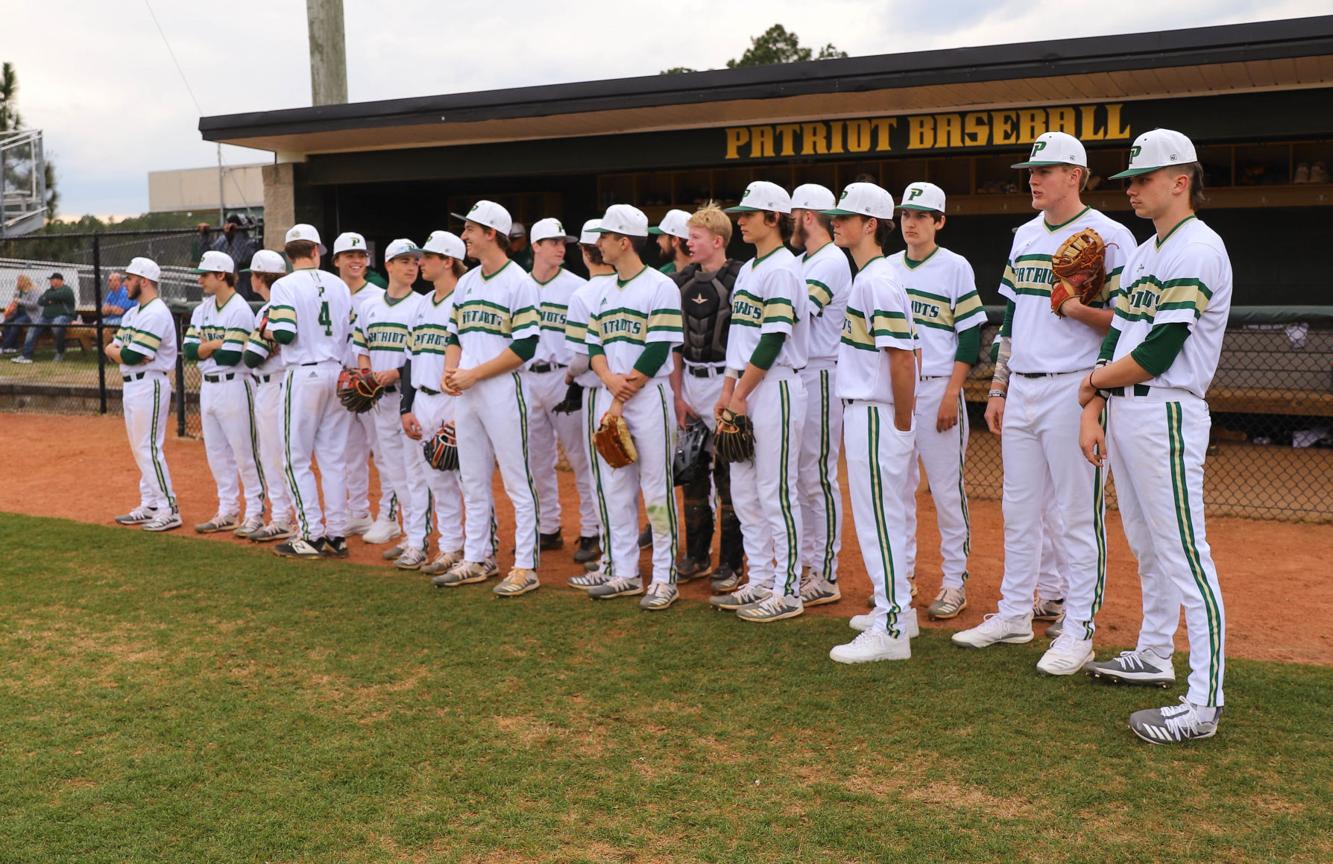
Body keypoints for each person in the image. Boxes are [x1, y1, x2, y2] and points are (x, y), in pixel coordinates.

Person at [952, 132, 1136, 678]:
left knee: (1078, 514)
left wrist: (1079, 313)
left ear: (1075, 175)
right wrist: (999, 385)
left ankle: (1079, 628)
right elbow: (1011, 317)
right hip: (1025, 384)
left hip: (1074, 384)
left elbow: (1127, 322)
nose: (1033, 178)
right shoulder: (1025, 234)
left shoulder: (1111, 235)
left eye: (1046, 170)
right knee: (1018, 508)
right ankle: (1013, 613)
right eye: (1030, 171)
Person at [1079, 129, 1231, 743]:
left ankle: (1204, 702)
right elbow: (1121, 334)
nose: (1133, 190)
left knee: (1186, 555)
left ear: (1180, 180)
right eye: (1130, 181)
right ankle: (1153, 651)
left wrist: (1089, 384)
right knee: (1147, 543)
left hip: (1167, 409)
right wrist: (1094, 403)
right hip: (1127, 410)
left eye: (1142, 179)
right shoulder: (1146, 251)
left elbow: (1162, 351)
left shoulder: (1198, 248)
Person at [822, 182, 921, 663]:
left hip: (878, 413)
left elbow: (903, 360)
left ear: (871, 225)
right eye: (835, 216)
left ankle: (892, 626)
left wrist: (902, 423)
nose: (835, 223)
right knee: (890, 518)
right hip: (872, 411)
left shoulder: (876, 280)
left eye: (846, 217)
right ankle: (900, 611)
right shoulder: (872, 276)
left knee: (880, 520)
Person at [708, 181, 809, 623]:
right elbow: (740, 339)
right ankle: (762, 578)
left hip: (778, 387)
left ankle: (788, 589)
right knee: (746, 492)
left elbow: (772, 339)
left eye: (749, 213)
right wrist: (728, 391)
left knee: (775, 490)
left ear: (774, 218)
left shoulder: (783, 269)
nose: (740, 220)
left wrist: (741, 395)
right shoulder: (750, 268)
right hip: (748, 388)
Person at [886, 182, 987, 620]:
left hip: (937, 387)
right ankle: (900, 578)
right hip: (895, 391)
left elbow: (969, 337)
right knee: (898, 489)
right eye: (906, 214)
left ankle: (953, 582)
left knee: (946, 491)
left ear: (939, 222)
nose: (911, 222)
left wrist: (952, 393)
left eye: (921, 215)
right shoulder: (887, 267)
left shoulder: (955, 266)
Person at [437, 200, 543, 596]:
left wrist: (472, 373)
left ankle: (526, 566)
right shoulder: (466, 282)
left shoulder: (519, 282)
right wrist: (451, 373)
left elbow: (527, 346)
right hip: (468, 389)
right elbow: (453, 335)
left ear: (491, 233)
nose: (464, 235)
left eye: (470, 229)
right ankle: (478, 557)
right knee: (472, 479)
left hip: (501, 388)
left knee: (517, 480)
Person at [584, 204, 684, 609]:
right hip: (614, 397)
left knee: (655, 488)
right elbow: (594, 346)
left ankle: (664, 577)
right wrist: (608, 381)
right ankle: (625, 571)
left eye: (605, 237)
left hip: (648, 398)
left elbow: (658, 347)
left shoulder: (660, 286)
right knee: (616, 489)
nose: (599, 244)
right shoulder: (603, 289)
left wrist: (618, 397)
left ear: (624, 241)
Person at [265, 224, 358, 559]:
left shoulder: (285, 285)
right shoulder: (339, 285)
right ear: (317, 251)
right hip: (336, 370)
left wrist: (269, 329)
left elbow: (286, 333)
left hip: (303, 374)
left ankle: (311, 535)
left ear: (289, 255)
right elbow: (350, 333)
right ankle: (337, 534)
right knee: (333, 458)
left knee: (296, 458)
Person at [668, 205, 745, 591]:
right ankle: (697, 555)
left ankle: (731, 562)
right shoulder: (680, 282)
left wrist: (732, 395)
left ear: (717, 241)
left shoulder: (740, 277)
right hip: (692, 384)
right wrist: (678, 396)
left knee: (731, 477)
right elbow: (676, 346)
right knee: (692, 473)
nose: (687, 243)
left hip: (726, 381)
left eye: (695, 237)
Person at [790, 183, 853, 607]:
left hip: (823, 371)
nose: (787, 222)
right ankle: (809, 564)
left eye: (792, 214)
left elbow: (793, 314)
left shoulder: (831, 261)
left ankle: (826, 573)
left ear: (808, 216)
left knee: (818, 474)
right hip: (798, 370)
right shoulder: (800, 260)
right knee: (798, 474)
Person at [522, 218, 599, 558]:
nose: (560, 247)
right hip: (527, 376)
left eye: (563, 242)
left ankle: (591, 530)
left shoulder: (577, 287)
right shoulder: (519, 286)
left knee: (581, 457)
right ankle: (548, 527)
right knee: (537, 459)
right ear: (535, 246)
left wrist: (574, 378)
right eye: (552, 242)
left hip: (564, 377)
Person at [400, 230, 471, 579]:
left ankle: (477, 550)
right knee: (437, 478)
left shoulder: (464, 299)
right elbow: (410, 359)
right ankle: (451, 545)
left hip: (456, 399)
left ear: (447, 261)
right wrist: (406, 407)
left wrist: (462, 412)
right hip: (424, 399)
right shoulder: (422, 304)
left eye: (426, 257)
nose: (420, 262)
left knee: (467, 478)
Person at [354, 239, 426, 569]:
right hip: (381, 400)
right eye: (404, 261)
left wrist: (393, 372)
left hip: (411, 399)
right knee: (394, 469)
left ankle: (420, 538)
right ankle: (412, 535)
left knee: (416, 471)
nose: (411, 266)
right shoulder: (371, 307)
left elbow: (422, 358)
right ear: (388, 265)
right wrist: (368, 376)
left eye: (414, 261)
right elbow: (362, 346)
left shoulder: (422, 305)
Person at [184, 250, 267, 537]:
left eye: (205, 275)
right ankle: (228, 510)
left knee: (245, 452)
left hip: (236, 384)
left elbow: (231, 357)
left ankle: (255, 512)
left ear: (222, 275)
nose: (200, 280)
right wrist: (214, 344)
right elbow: (189, 351)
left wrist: (208, 346)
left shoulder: (240, 309)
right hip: (208, 387)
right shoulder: (202, 309)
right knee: (217, 453)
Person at [562, 219, 618, 589]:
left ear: (585, 252)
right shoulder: (627, 287)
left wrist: (567, 378)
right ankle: (655, 562)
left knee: (605, 482)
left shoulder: (583, 294)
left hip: (600, 393)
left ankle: (614, 561)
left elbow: (582, 358)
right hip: (638, 392)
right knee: (645, 483)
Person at [332, 231, 396, 546]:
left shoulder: (377, 294)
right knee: (349, 452)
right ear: (337, 261)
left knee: (382, 451)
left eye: (361, 256)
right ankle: (357, 512)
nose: (357, 261)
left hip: (371, 382)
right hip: (343, 382)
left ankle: (391, 516)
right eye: (349, 256)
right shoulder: (331, 293)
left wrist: (371, 376)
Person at [109, 257, 182, 532]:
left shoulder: (156, 313)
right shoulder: (132, 313)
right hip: (132, 384)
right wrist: (119, 353)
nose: (125, 283)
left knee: (148, 448)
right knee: (141, 449)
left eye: (129, 278)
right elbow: (115, 348)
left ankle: (169, 508)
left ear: (144, 281)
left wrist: (119, 353)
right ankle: (150, 503)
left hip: (150, 383)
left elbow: (131, 353)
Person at [240, 250, 297, 543]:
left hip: (274, 384)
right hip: (272, 384)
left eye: (253, 274)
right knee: (275, 454)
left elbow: (251, 357)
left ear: (259, 277)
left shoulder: (269, 310)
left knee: (277, 455)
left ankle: (284, 518)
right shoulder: (279, 306)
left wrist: (260, 344)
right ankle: (283, 516)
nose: (251, 278)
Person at [14, 272, 75, 364]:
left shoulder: (67, 289)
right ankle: (26, 356)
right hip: (46, 317)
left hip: (63, 315)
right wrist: (49, 298)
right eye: (50, 280)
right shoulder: (48, 291)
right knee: (32, 329)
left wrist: (49, 299)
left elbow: (58, 296)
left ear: (59, 280)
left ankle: (60, 352)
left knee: (57, 326)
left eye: (52, 279)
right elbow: (40, 301)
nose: (50, 281)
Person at [211, 214, 260, 298]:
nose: (229, 227)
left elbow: (241, 258)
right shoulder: (222, 241)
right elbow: (208, 256)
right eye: (229, 223)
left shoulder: (251, 242)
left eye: (235, 225)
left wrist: (237, 234)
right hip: (224, 289)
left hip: (245, 291)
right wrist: (204, 236)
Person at [1, 274, 41, 354]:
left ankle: (4, 347)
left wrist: (20, 301)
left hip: (30, 314)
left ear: (25, 281)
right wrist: (11, 308)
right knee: (6, 323)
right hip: (19, 312)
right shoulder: (18, 291)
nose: (18, 283)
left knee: (16, 324)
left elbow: (34, 304)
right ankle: (13, 347)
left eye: (20, 281)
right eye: (18, 281)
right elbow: (14, 301)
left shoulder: (34, 290)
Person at [650, 209, 692, 274]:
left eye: (661, 236)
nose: (657, 241)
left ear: (674, 240)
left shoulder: (704, 271)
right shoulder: (664, 272)